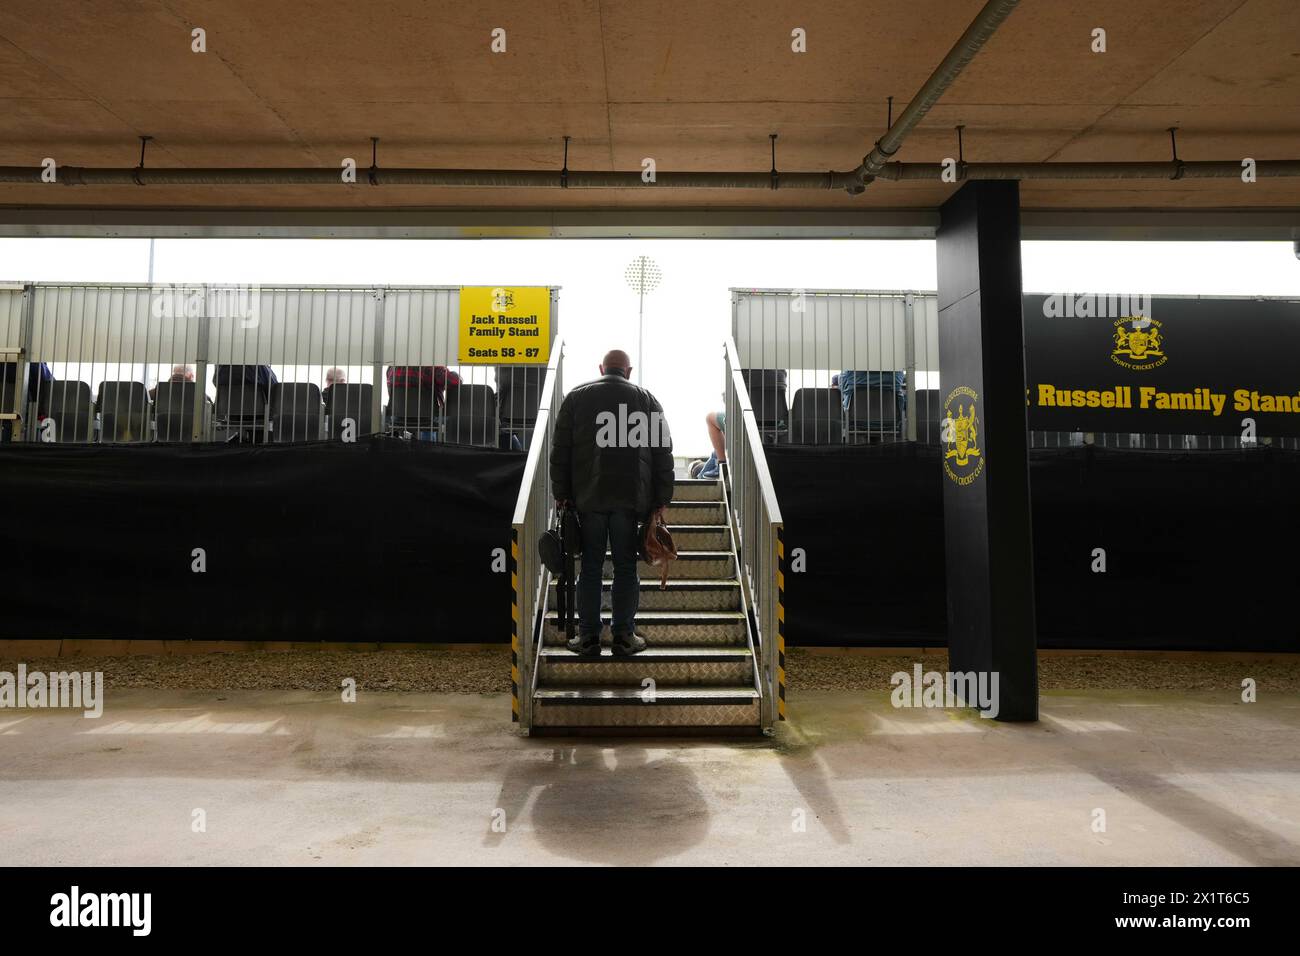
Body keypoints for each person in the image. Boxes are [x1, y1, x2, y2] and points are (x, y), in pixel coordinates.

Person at [550, 349, 674, 657]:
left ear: (602, 368)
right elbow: (662, 454)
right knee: (625, 567)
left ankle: (589, 637)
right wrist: (661, 499)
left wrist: (561, 493)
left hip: (589, 499)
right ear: (628, 371)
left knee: (590, 567)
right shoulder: (648, 401)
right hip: (631, 501)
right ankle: (623, 636)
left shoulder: (577, 398)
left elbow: (560, 451)